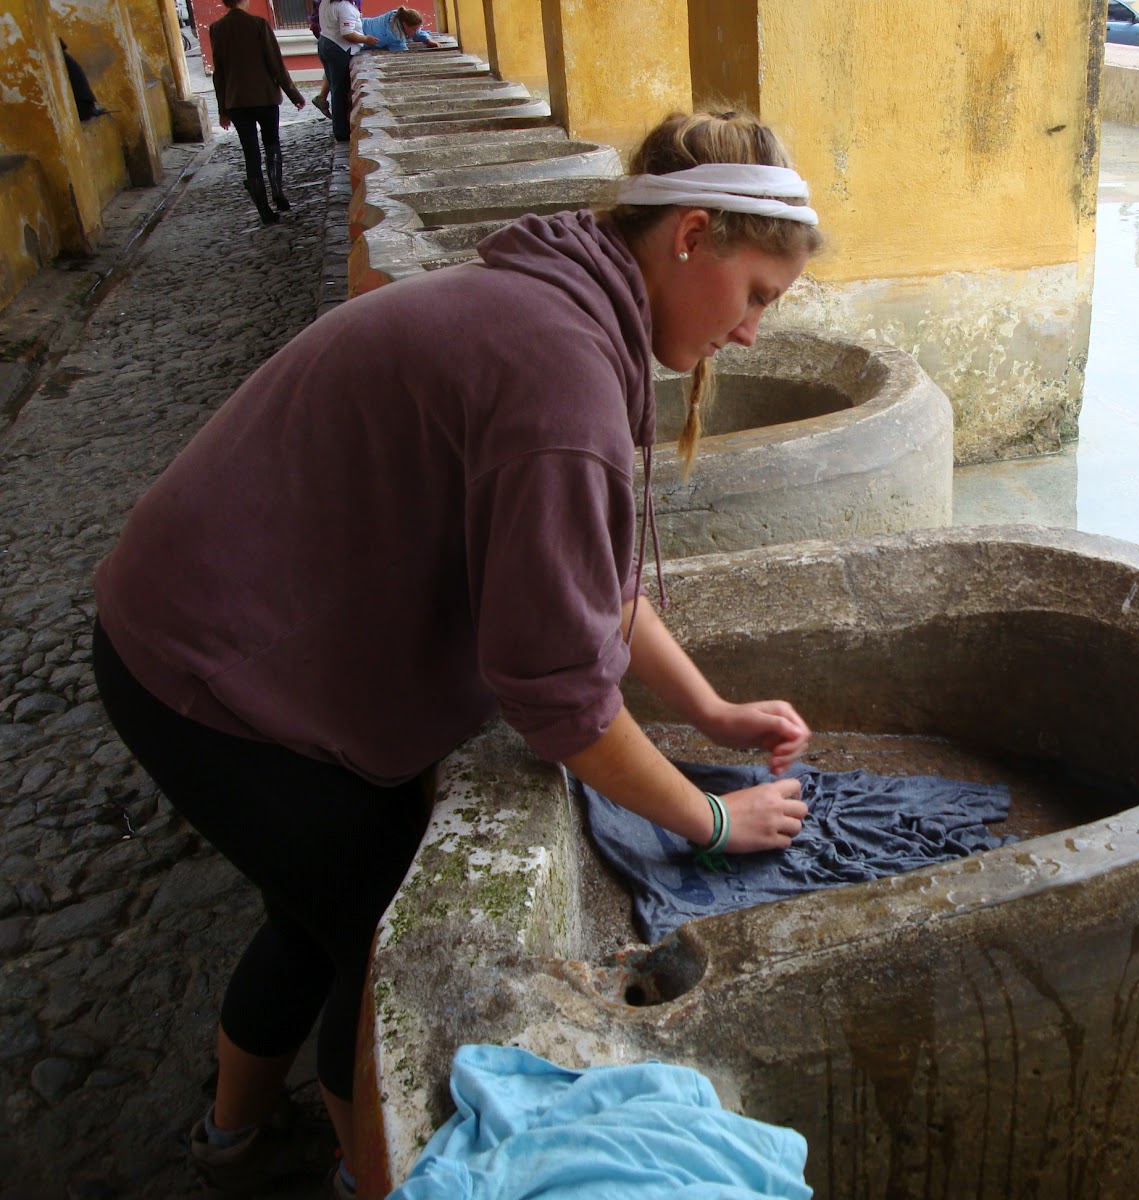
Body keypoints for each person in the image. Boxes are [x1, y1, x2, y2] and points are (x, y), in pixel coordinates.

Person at [91, 109, 824, 1199]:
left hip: (171, 622)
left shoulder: (558, 304)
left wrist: (710, 714)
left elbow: (591, 588)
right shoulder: (563, 371)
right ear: (691, 235)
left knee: (307, 906)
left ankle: (229, 1141)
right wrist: (711, 817)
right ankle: (364, 1175)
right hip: (210, 673)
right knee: (375, 940)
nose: (753, 331)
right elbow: (562, 702)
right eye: (757, 294)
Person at [208, 0, 305, 224]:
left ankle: (263, 209)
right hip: (264, 97)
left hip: (236, 101)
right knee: (272, 145)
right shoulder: (259, 24)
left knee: (250, 153)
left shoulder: (216, 29)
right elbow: (276, 64)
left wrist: (223, 109)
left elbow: (219, 72)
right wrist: (294, 95)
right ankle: (278, 193)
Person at [316, 0, 377, 142]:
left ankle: (340, 128)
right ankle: (342, 131)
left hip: (326, 42)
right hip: (339, 48)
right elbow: (347, 34)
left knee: (335, 87)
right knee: (340, 91)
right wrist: (367, 39)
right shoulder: (344, 7)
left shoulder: (326, 2)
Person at [362, 6, 440, 51]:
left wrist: (427, 39)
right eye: (413, 30)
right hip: (359, 36)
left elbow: (417, 32)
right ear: (405, 25)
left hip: (362, 23)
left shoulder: (398, 15)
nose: (415, 32)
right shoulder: (395, 37)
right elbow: (403, 53)